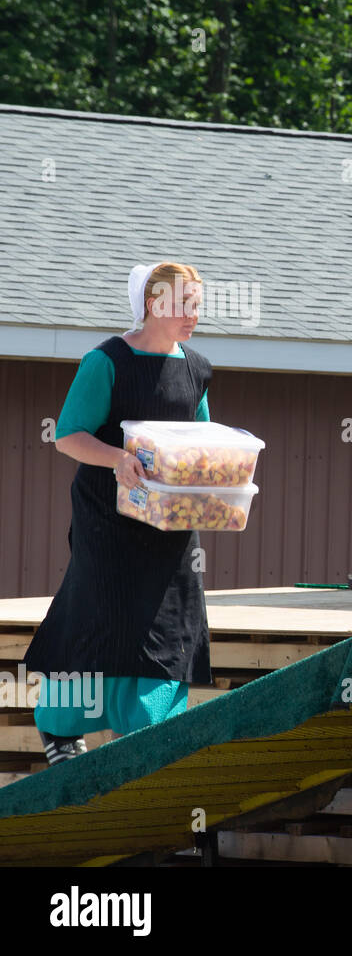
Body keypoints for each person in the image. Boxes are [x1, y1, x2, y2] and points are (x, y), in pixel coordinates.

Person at [24, 262, 213, 765]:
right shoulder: (104, 362)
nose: (195, 314)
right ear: (154, 305)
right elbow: (69, 436)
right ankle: (63, 732)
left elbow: (202, 442)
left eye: (199, 303)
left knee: (169, 625)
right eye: (185, 304)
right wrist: (118, 459)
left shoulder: (195, 368)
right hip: (107, 525)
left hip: (171, 529)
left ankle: (150, 741)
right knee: (97, 616)